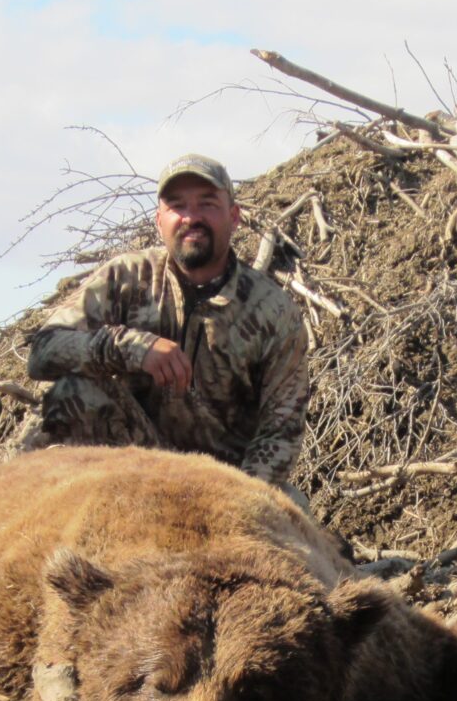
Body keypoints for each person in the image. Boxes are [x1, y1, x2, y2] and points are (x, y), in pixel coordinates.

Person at [24, 154, 307, 488]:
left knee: (295, 515)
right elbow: (43, 351)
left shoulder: (273, 311)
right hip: (136, 460)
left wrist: (237, 499)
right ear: (159, 221)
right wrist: (130, 347)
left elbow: (280, 432)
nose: (191, 217)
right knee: (72, 393)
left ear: (234, 217)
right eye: (177, 206)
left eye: (207, 204)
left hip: (224, 482)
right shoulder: (126, 278)